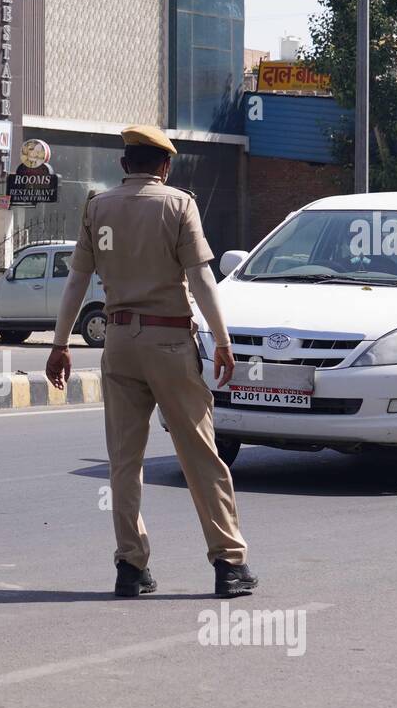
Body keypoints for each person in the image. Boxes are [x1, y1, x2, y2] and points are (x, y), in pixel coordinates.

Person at [46, 125, 257, 599]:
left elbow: (77, 282)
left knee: (124, 460)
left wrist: (59, 343)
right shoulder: (178, 205)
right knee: (201, 454)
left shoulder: (97, 207)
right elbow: (202, 279)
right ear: (165, 166)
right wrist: (222, 341)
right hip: (169, 342)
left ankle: (130, 567)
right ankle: (228, 563)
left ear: (125, 165)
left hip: (118, 341)